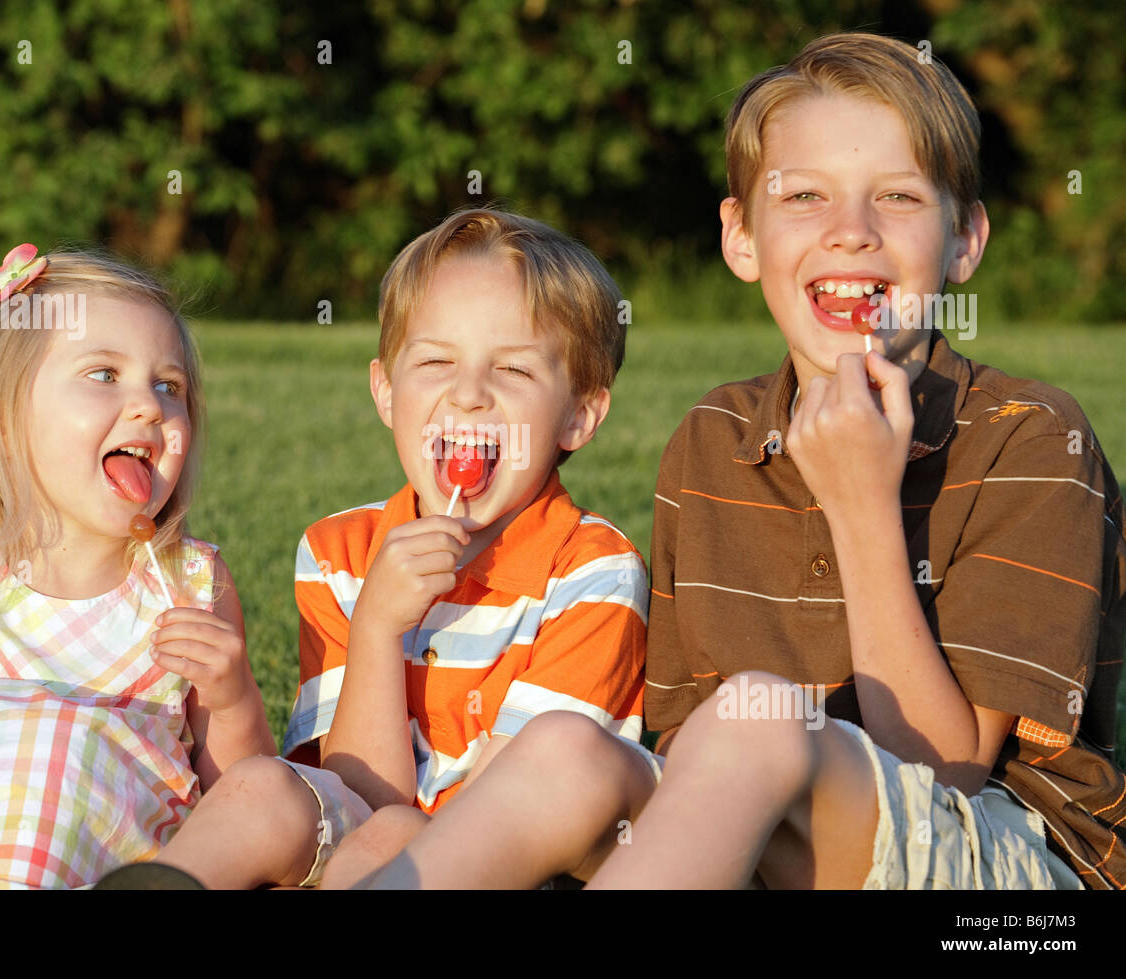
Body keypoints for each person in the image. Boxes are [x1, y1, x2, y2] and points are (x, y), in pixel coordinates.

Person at [359, 32, 1126, 890]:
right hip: (773, 850)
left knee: (755, 717)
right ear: (742, 238)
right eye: (804, 196)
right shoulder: (712, 438)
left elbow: (944, 768)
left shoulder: (1031, 438)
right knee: (567, 750)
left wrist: (863, 504)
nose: (851, 232)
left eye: (899, 197)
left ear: (964, 240)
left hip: (1010, 885)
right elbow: (692, 758)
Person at [150, 208, 652, 889]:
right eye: (437, 360)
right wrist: (377, 626)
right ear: (385, 390)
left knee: (390, 837)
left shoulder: (592, 568)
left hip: (505, 861)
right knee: (261, 786)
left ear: (579, 415)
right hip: (370, 829)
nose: (469, 393)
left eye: (513, 369)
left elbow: (519, 809)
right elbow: (354, 791)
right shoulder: (337, 552)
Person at [0, 245, 273, 889]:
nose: (150, 405)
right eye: (103, 375)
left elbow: (242, 800)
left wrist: (232, 703)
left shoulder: (190, 587)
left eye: (169, 386)